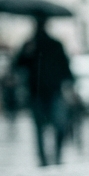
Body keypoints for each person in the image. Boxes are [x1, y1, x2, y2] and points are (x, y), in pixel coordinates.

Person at [14, 15, 73, 166]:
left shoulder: (49, 44)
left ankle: (47, 159)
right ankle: (50, 158)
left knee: (43, 128)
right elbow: (66, 68)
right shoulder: (39, 45)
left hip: (43, 91)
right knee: (51, 126)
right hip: (45, 91)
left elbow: (18, 65)